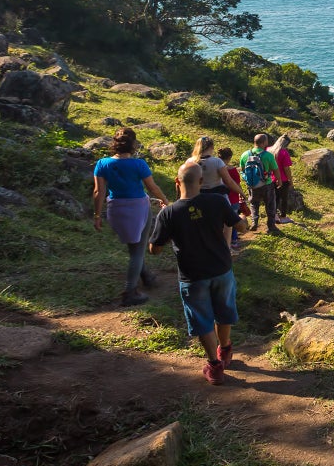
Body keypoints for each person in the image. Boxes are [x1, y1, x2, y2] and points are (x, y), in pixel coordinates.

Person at [150, 162, 241, 385]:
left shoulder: (168, 213)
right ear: (201, 181)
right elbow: (241, 227)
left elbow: (155, 250)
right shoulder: (217, 201)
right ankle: (225, 348)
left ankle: (215, 366)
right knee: (224, 311)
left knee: (202, 320)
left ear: (176, 182)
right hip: (221, 269)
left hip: (193, 275)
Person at [92, 127, 169, 306]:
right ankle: (130, 292)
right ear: (133, 144)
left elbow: (98, 192)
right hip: (138, 209)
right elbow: (152, 187)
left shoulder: (102, 164)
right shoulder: (139, 164)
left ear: (114, 144)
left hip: (115, 209)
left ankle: (147, 277)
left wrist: (97, 215)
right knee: (137, 251)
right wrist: (165, 200)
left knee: (134, 246)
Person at [183, 135, 243, 244]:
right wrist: (241, 192)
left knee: (199, 222)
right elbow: (228, 181)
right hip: (218, 196)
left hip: (197, 196)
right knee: (227, 223)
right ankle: (226, 247)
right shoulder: (217, 162)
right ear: (211, 147)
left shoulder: (190, 162)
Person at [238, 133, 281, 234]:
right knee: (270, 204)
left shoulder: (245, 154)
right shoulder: (268, 155)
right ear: (264, 142)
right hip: (267, 184)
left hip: (252, 185)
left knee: (253, 203)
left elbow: (242, 169)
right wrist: (279, 180)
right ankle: (271, 226)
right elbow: (275, 170)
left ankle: (254, 223)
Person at [273, 133, 295, 225]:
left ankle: (274, 215)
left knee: (275, 198)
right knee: (284, 199)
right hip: (283, 179)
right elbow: (286, 168)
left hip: (271, 178)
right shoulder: (283, 152)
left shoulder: (269, 150)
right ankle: (283, 217)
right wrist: (290, 180)